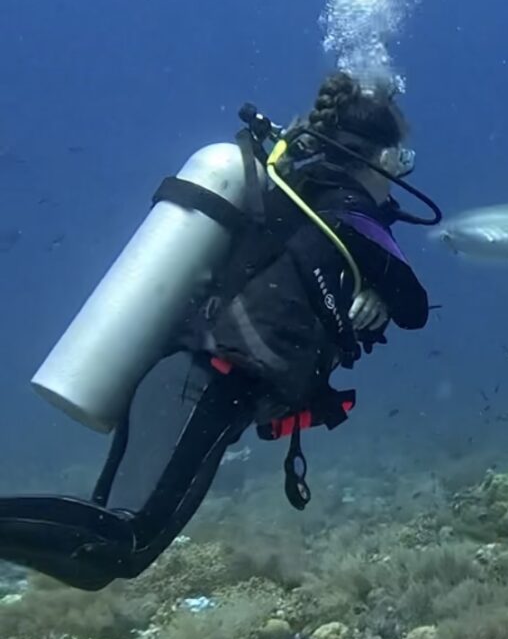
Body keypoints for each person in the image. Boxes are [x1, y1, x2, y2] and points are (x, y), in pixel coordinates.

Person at [0, 73, 431, 591]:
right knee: (122, 542)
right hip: (203, 387)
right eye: (399, 161)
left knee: (100, 559)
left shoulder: (295, 195)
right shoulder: (349, 211)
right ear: (375, 159)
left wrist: (371, 284)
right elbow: (414, 306)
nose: (398, 176)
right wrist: (380, 281)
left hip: (179, 380)